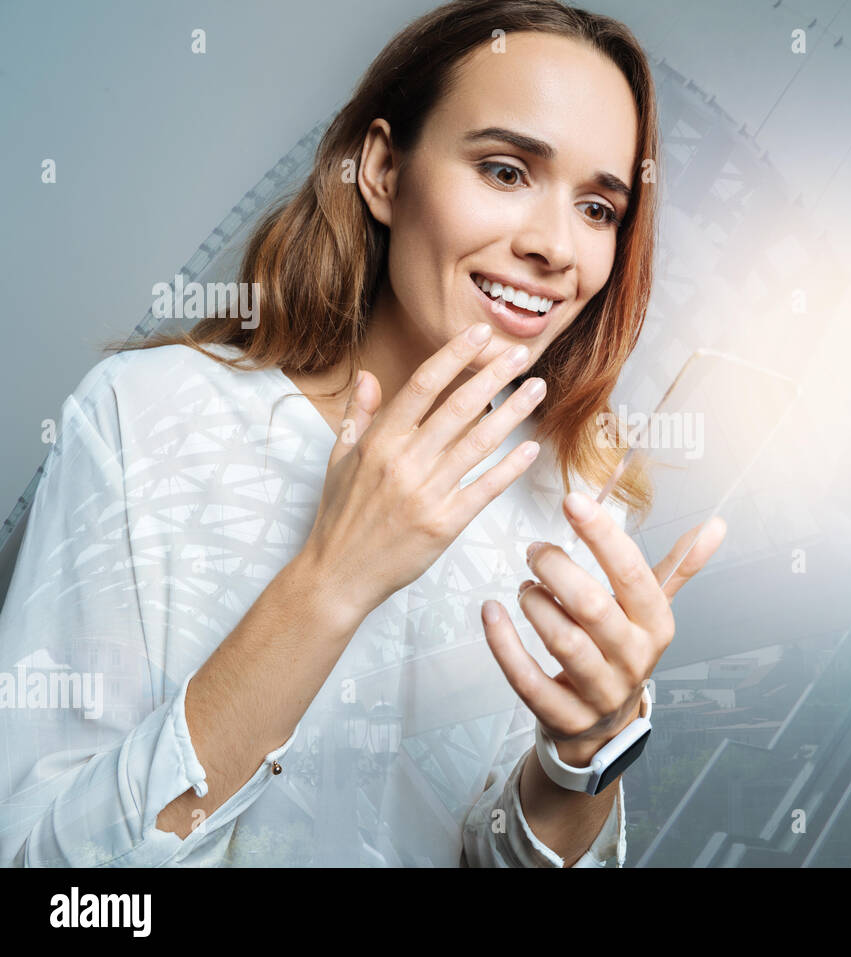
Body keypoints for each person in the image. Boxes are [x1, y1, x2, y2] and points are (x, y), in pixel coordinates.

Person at [0, 0, 725, 868]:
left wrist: (581, 761)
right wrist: (331, 582)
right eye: (504, 171)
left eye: (599, 209)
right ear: (382, 170)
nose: (555, 246)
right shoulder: (142, 418)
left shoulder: (568, 505)